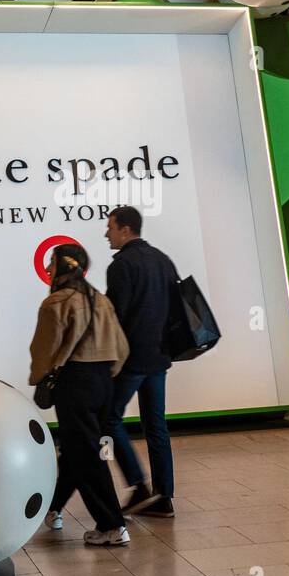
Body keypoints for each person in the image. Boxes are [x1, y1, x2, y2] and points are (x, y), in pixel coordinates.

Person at [28, 243, 131, 547]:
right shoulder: (100, 299)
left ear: (62, 266)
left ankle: (112, 525)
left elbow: (43, 350)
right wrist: (105, 375)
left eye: (51, 262)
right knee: (79, 450)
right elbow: (122, 347)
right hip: (104, 383)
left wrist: (40, 379)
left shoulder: (56, 303)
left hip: (75, 384)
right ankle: (54, 508)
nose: (48, 269)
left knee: (86, 455)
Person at [104, 205, 179, 519]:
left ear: (125, 229)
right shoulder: (162, 260)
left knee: (107, 417)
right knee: (156, 425)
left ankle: (138, 485)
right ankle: (164, 497)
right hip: (159, 357)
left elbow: (113, 317)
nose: (106, 233)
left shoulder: (121, 266)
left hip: (132, 359)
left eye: (110, 227)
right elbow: (176, 307)